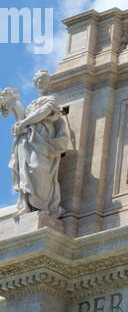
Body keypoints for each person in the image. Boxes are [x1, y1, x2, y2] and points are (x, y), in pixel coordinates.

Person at [0, 69, 71, 216]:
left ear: (48, 83)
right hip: (27, 139)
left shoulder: (52, 97)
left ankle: (45, 207)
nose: (41, 83)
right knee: (24, 170)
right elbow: (23, 118)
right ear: (35, 83)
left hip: (43, 140)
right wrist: (13, 105)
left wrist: (25, 122)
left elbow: (43, 113)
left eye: (44, 80)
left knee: (38, 169)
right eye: (39, 81)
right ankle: (26, 205)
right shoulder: (32, 103)